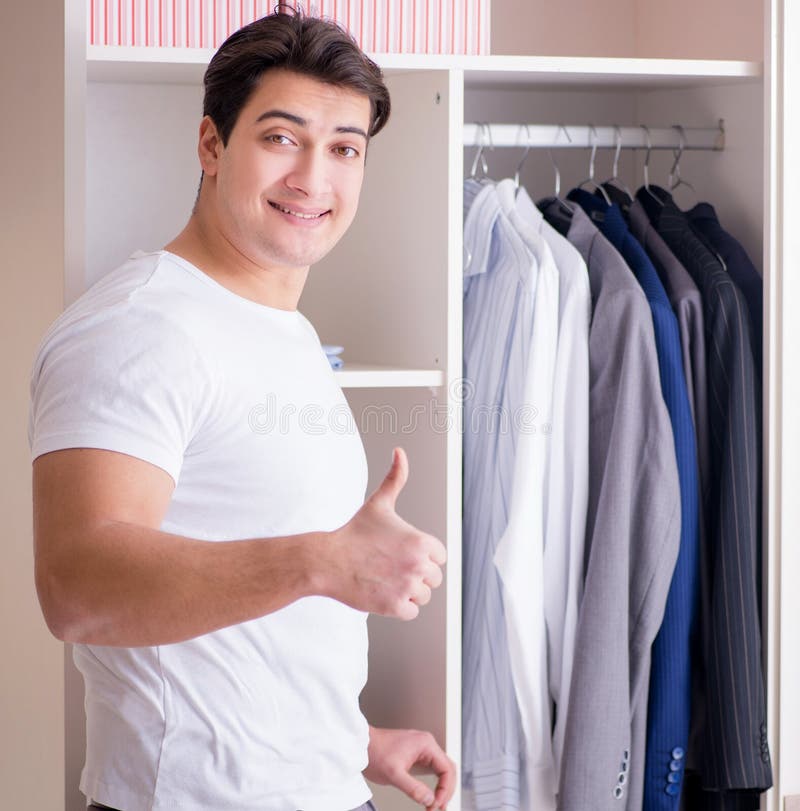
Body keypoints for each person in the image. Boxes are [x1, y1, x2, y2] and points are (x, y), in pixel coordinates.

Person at [29, 9, 455, 811]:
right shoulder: (138, 326)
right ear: (212, 146)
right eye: (282, 138)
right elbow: (74, 584)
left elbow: (243, 626)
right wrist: (323, 559)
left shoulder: (279, 327)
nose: (312, 179)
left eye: (344, 149)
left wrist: (347, 741)